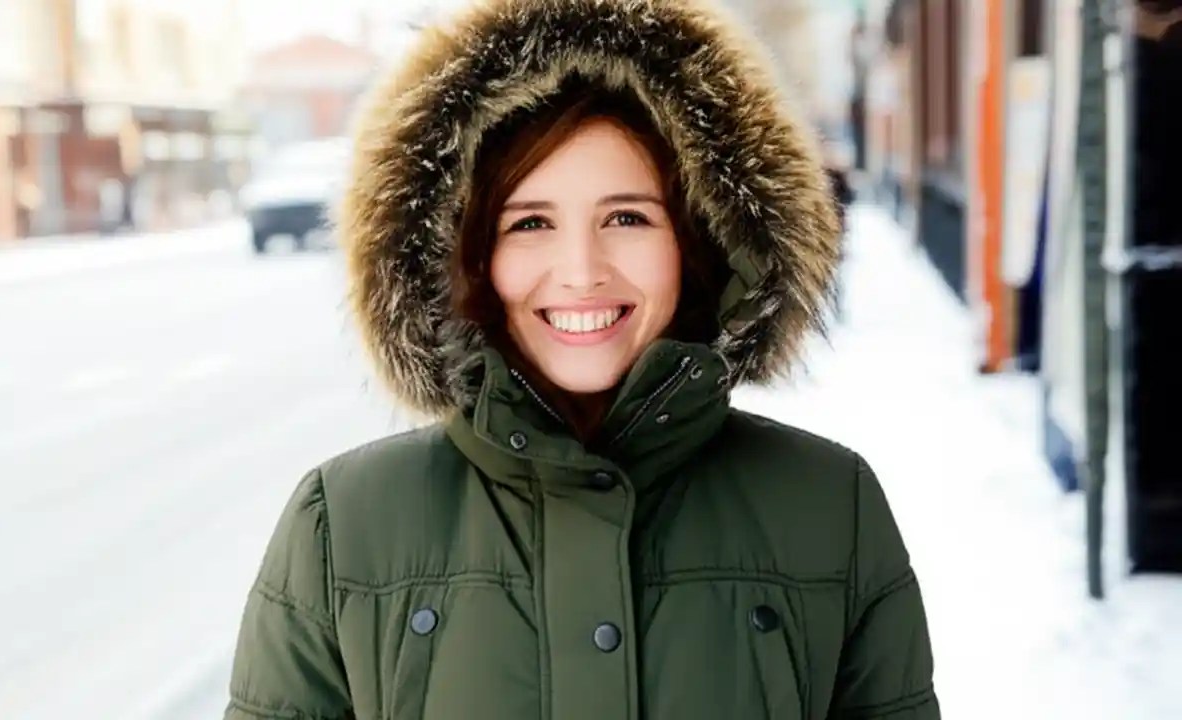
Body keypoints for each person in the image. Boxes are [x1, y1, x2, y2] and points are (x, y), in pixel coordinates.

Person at [224, 0, 938, 718]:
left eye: (627, 218)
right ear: (464, 253)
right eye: (529, 223)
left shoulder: (827, 505)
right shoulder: (344, 526)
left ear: (700, 242)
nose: (581, 270)